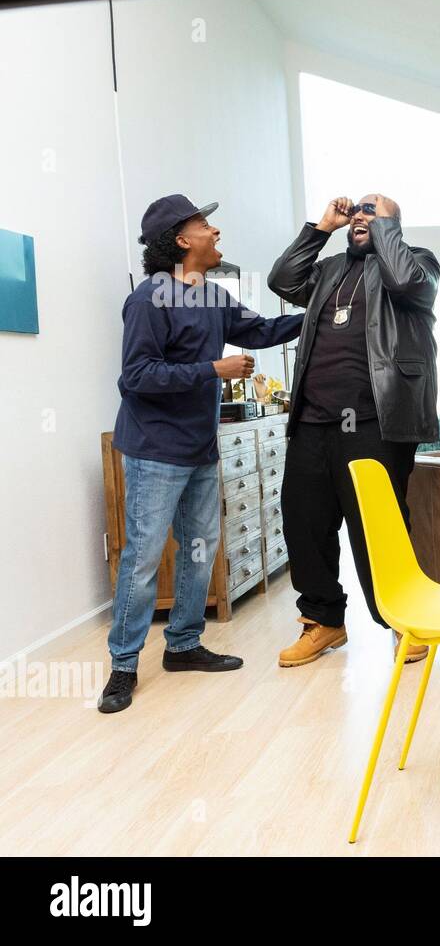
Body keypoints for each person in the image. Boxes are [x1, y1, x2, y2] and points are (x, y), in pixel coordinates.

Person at [99, 194, 304, 713]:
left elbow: (261, 330)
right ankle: (123, 666)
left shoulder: (211, 297)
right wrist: (212, 371)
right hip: (154, 451)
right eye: (204, 224)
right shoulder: (150, 299)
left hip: (199, 448)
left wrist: (320, 309)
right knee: (144, 559)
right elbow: (138, 376)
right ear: (181, 240)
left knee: (198, 549)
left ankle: (183, 646)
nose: (216, 232)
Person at [269, 194, 440, 668]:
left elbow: (405, 280)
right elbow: (282, 280)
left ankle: (403, 618)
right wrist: (322, 226)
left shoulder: (417, 265)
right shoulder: (327, 271)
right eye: (357, 211)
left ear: (391, 225)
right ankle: (323, 621)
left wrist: (385, 226)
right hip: (311, 420)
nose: (360, 216)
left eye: (373, 211)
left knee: (378, 526)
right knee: (304, 522)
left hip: (376, 421)